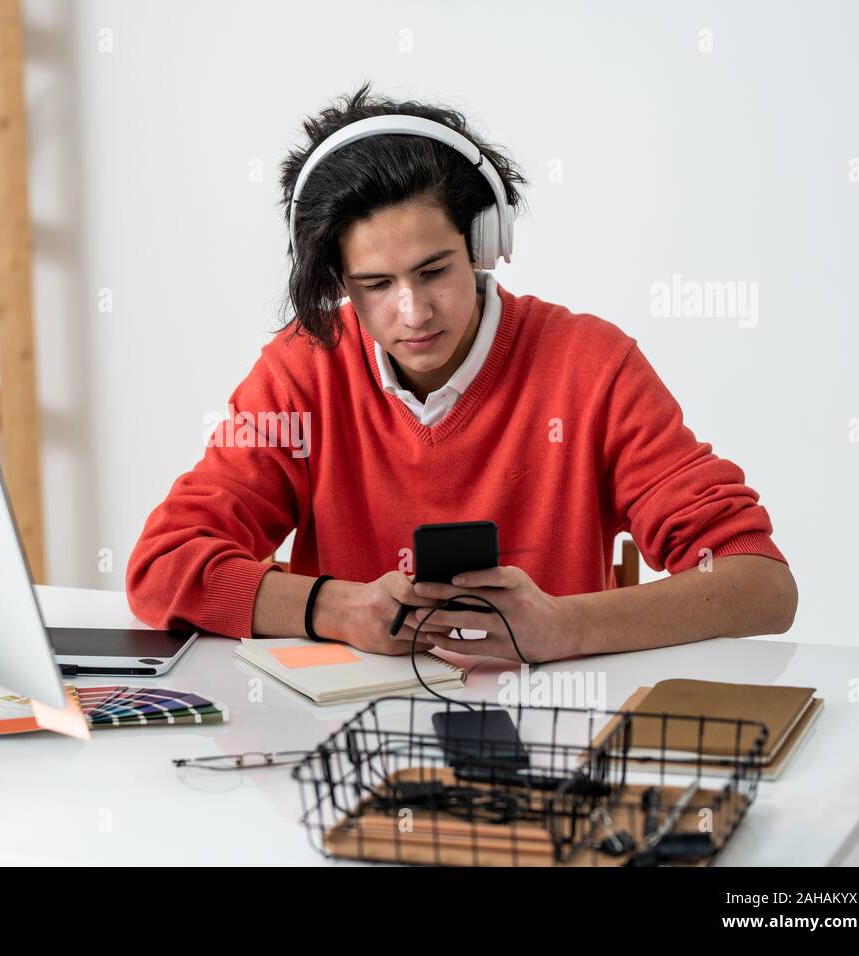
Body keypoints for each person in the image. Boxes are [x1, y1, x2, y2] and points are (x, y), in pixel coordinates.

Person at [125, 83, 797, 663]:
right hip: (338, 746)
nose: (412, 312)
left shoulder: (590, 366)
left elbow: (760, 585)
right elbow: (163, 567)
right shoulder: (304, 369)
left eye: (433, 271)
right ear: (339, 284)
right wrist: (339, 609)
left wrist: (563, 628)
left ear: (484, 243)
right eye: (376, 284)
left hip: (550, 745)